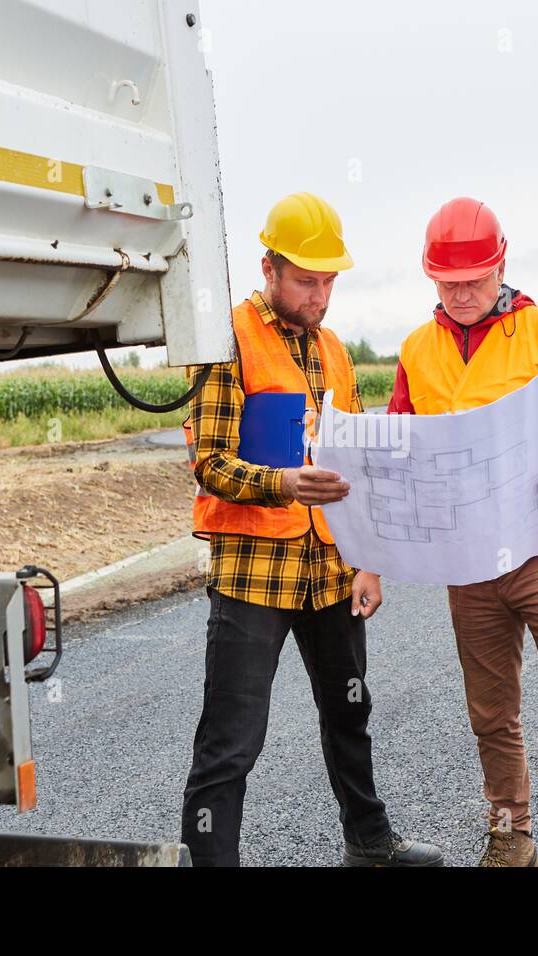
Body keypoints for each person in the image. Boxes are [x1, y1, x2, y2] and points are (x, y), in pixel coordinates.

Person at [180, 192, 442, 867]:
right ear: (269, 267)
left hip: (330, 567)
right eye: (306, 280)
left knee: (350, 711)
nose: (320, 296)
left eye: (329, 282)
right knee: (231, 741)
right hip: (254, 570)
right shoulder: (227, 338)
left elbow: (355, 465)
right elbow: (210, 463)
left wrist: (369, 561)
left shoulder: (333, 350)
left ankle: (369, 840)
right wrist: (286, 484)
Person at [388, 197, 538, 867]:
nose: (461, 295)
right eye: (447, 283)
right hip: (470, 564)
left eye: (474, 280)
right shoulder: (416, 350)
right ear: (431, 277)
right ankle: (511, 841)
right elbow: (403, 444)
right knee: (492, 719)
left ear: (502, 266)